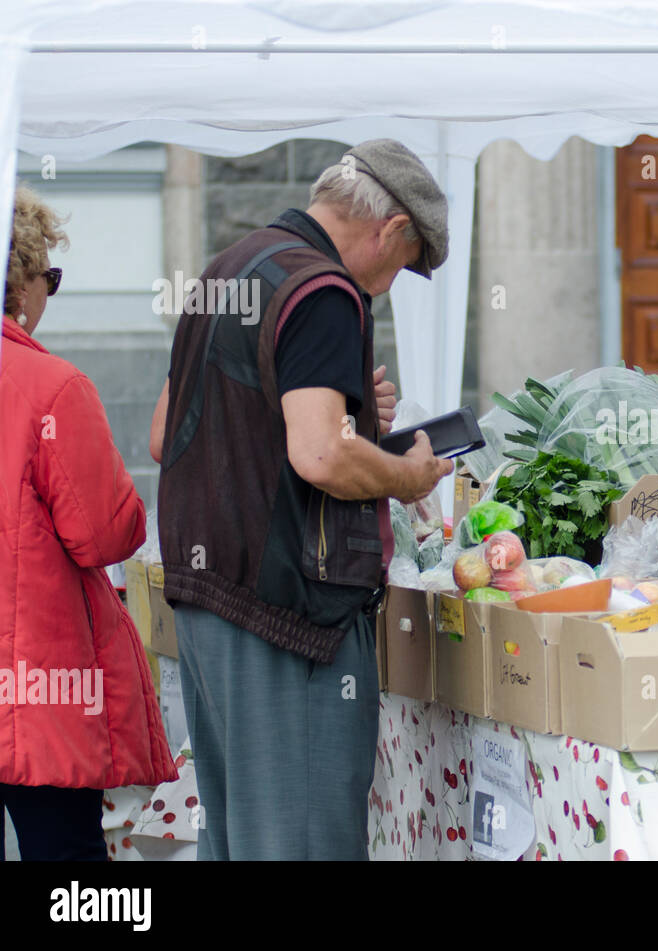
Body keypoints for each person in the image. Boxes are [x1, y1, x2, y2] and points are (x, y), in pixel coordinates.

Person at [149, 140, 454, 860]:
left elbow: (169, 434)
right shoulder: (323, 292)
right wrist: (404, 474)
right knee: (301, 842)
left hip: (208, 598)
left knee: (239, 839)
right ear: (392, 230)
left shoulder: (231, 267)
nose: (388, 284)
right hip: (285, 615)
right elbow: (316, 454)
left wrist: (346, 414)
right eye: (404, 264)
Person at [1, 184, 176, 860]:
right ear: (23, 278)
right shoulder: (51, 386)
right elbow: (105, 532)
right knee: (68, 865)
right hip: (35, 684)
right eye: (53, 276)